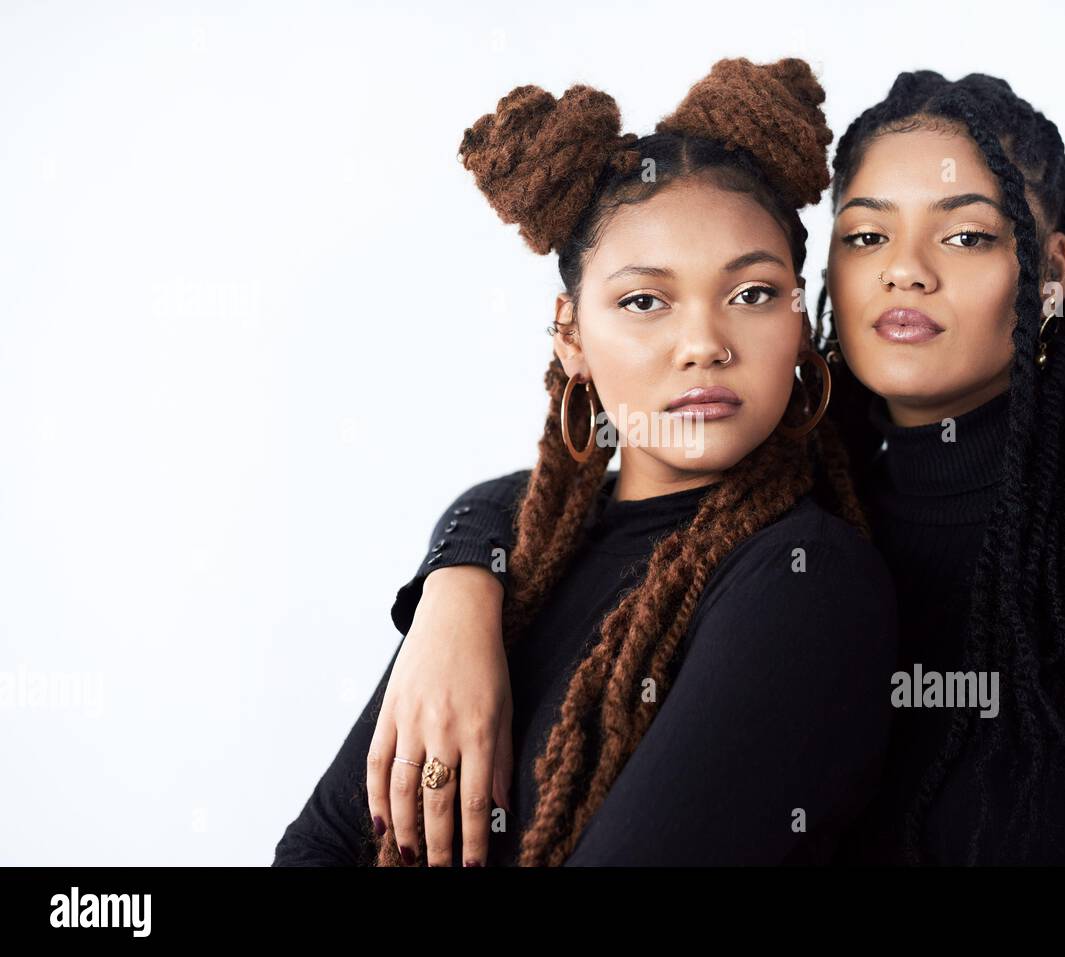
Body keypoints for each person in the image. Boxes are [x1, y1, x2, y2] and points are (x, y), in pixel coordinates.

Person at [377, 69, 1065, 866]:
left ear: (1053, 276)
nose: (906, 272)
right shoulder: (767, 508)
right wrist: (456, 584)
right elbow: (587, 498)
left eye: (965, 236)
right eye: (865, 237)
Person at [273, 58, 899, 867]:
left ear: (795, 313)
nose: (705, 343)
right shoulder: (515, 556)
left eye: (751, 293)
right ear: (570, 335)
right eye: (645, 301)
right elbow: (317, 849)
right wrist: (457, 579)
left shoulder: (806, 579)